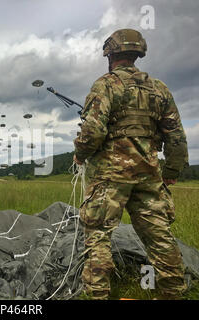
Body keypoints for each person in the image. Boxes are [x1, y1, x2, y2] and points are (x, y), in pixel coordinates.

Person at [73, 28, 189, 300]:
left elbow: (93, 132)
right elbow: (176, 137)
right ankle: (174, 293)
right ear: (137, 54)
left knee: (99, 236)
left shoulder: (105, 85)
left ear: (110, 54)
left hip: (110, 176)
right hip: (148, 174)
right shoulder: (160, 89)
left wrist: (80, 153)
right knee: (159, 237)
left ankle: (98, 295)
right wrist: (170, 171)